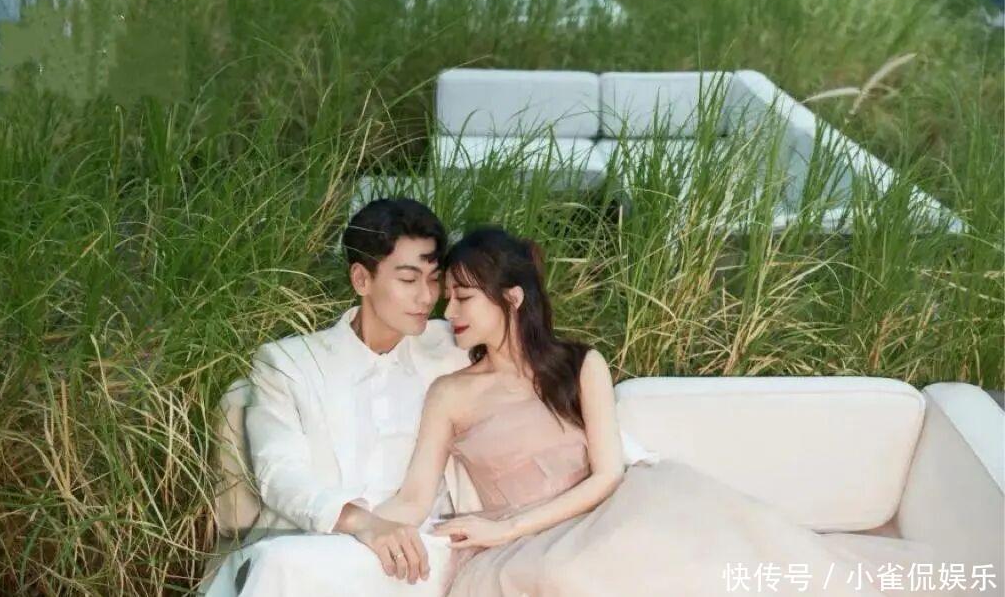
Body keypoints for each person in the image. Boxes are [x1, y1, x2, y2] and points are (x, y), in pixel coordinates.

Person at [372, 226, 903, 596]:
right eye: (448, 297)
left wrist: (511, 528)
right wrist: (356, 521)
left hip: (600, 519)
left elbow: (607, 475)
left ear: (512, 298)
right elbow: (415, 496)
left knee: (705, 555)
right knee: (567, 576)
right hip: (521, 556)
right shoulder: (450, 393)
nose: (448, 310)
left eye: (463, 297)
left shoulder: (580, 365)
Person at [203, 198, 473, 597]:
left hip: (425, 553)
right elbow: (280, 475)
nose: (426, 297)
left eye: (434, 279)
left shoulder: (453, 349)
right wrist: (364, 524)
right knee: (282, 564)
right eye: (408, 279)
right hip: (326, 545)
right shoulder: (290, 363)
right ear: (361, 279)